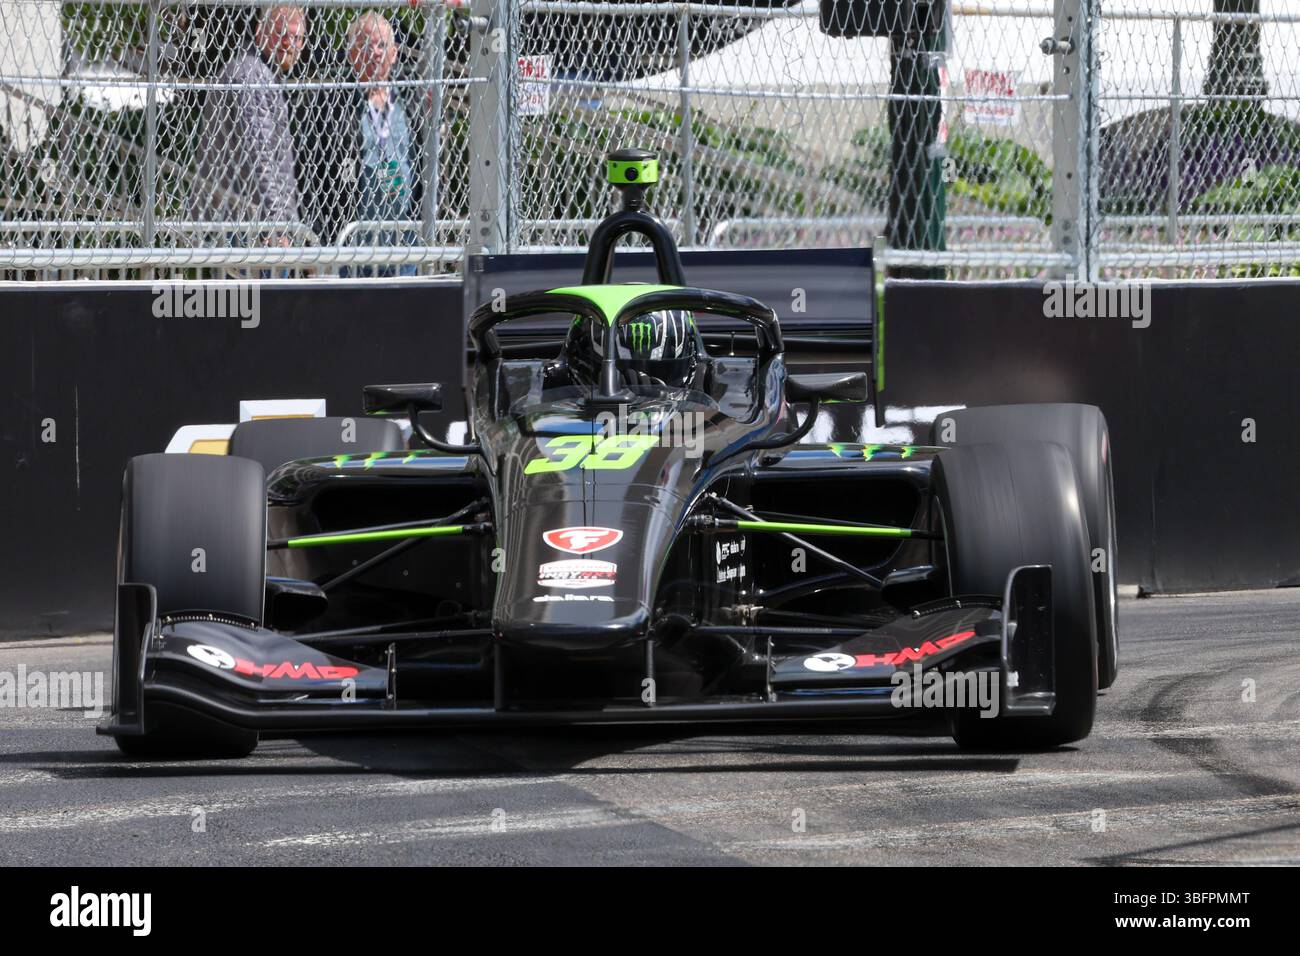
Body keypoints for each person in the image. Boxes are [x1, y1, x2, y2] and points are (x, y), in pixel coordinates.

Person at [189, 5, 306, 251]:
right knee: (252, 290)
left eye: (297, 37)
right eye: (282, 33)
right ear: (260, 32)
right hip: (245, 225)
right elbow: (260, 158)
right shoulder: (251, 76)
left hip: (245, 219)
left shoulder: (261, 73)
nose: (289, 43)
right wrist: (276, 225)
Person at [340, 11, 420, 277]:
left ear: (394, 53)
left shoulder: (410, 99)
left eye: (381, 45)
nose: (374, 53)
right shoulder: (336, 103)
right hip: (353, 246)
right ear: (351, 54)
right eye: (364, 46)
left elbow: (426, 162)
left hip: (404, 241)